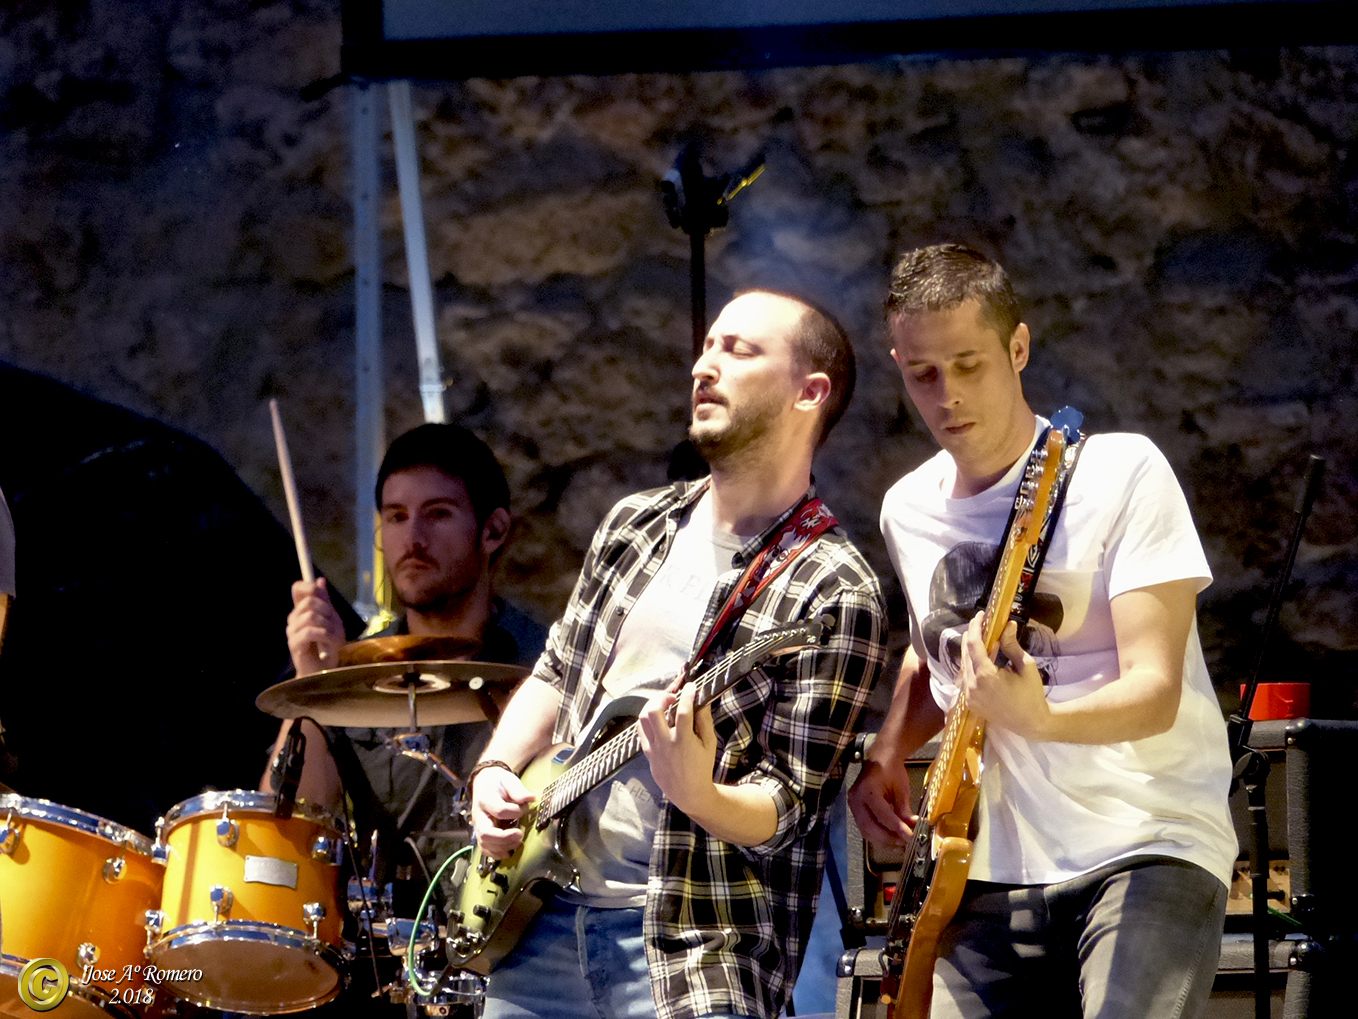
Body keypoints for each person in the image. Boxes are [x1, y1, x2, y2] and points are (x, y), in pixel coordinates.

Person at [468, 290, 888, 1019]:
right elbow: (558, 670)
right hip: (540, 927)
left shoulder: (836, 588)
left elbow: (789, 804)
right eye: (707, 347)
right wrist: (495, 767)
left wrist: (701, 793)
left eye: (739, 350)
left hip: (693, 950)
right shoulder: (637, 523)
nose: (704, 365)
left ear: (808, 392)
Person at [849, 244, 1236, 1018]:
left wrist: (1043, 718)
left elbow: (1156, 690)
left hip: (1145, 840)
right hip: (982, 864)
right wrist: (889, 746)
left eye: (970, 364)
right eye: (923, 373)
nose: (947, 394)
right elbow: (942, 656)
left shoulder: (1121, 472)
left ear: (1018, 348)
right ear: (897, 364)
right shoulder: (906, 508)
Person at [262, 424, 546, 910]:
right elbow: (289, 830)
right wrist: (310, 685)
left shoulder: (547, 666)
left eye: (437, 514)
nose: (412, 539)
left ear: (493, 530)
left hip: (520, 945)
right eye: (395, 517)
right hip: (388, 953)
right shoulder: (356, 669)